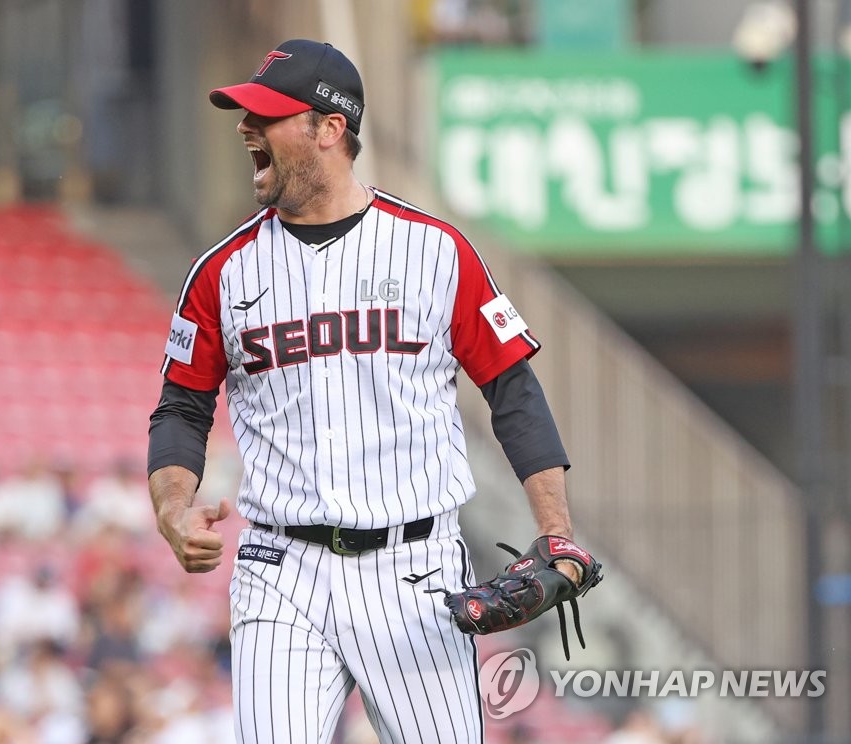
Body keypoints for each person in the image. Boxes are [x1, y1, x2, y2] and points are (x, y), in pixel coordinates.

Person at [148, 39, 583, 744]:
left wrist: (557, 534)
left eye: (268, 114)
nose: (244, 127)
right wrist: (172, 503)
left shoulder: (435, 250)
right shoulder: (221, 273)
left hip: (413, 567)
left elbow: (512, 389)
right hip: (279, 566)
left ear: (330, 129)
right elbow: (182, 405)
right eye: (246, 113)